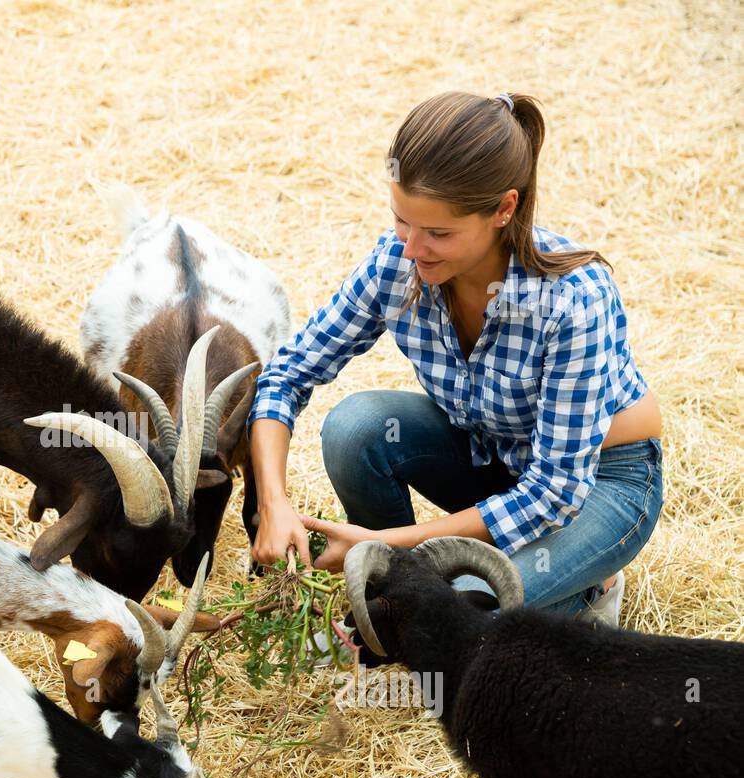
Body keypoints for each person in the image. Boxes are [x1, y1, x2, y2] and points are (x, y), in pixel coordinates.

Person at [248, 91, 663, 622]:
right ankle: (396, 599)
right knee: (357, 428)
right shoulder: (395, 263)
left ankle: (588, 582)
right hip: (492, 458)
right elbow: (286, 375)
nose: (413, 247)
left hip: (594, 485)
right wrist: (272, 503)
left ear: (503, 210)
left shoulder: (573, 299)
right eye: (402, 220)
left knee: (462, 614)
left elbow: (553, 492)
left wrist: (381, 545)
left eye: (439, 232)